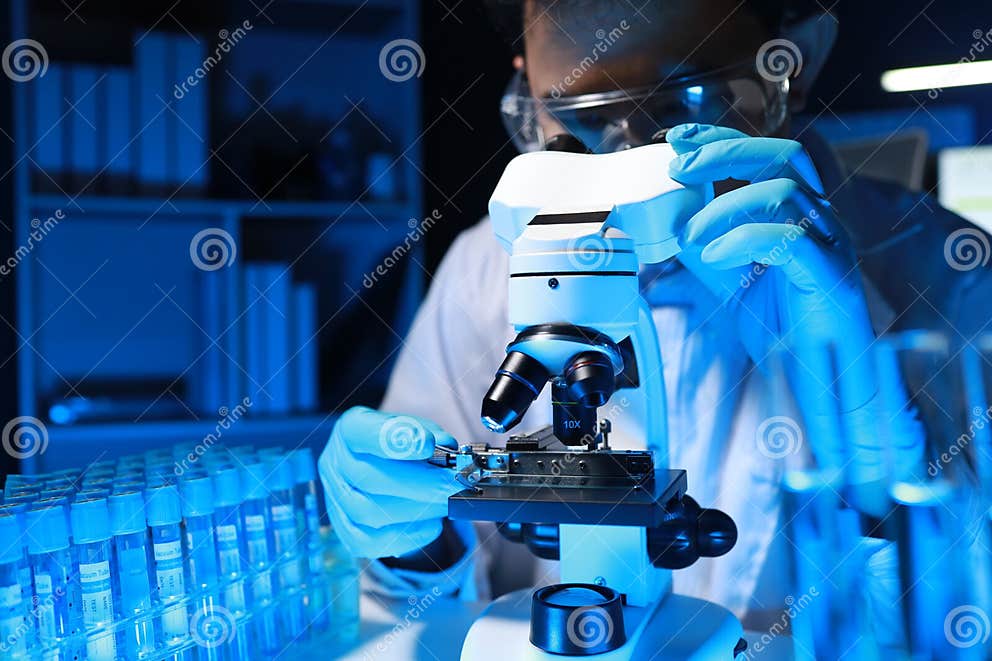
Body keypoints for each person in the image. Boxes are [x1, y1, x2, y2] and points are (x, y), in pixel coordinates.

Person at [319, 0, 992, 634]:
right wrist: (413, 539)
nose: (622, 164)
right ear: (529, 97)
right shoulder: (484, 268)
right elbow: (409, 611)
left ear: (795, 58)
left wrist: (869, 449)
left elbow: (958, 625)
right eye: (576, 125)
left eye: (678, 108)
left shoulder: (956, 277)